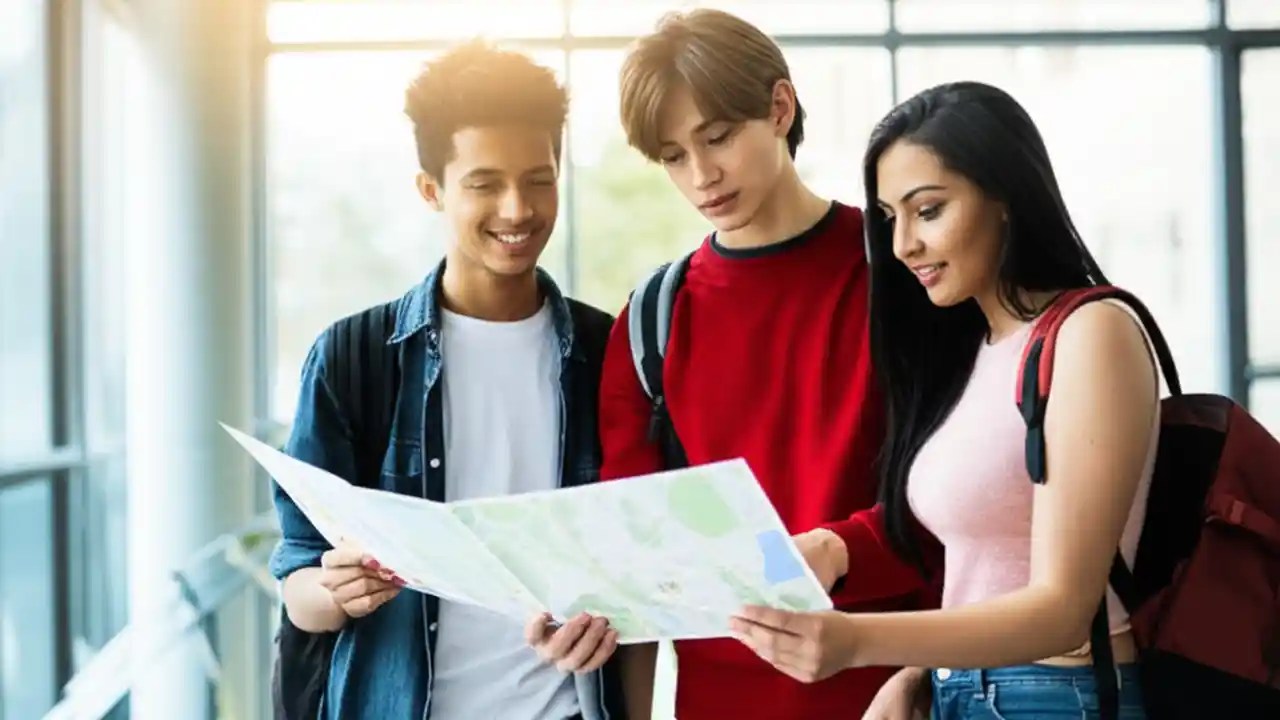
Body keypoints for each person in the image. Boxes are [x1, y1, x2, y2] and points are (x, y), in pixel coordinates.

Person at [528, 9, 939, 720]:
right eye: (673, 156)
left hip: (899, 692)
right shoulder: (649, 321)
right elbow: (639, 547)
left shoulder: (909, 275)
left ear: (780, 108)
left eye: (717, 138)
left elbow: (967, 505)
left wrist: (847, 560)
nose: (701, 175)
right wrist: (586, 605)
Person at [728, 81, 1157, 719]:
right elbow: (985, 570)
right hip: (964, 692)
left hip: (1058, 698)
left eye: (927, 210)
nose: (902, 245)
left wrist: (856, 643)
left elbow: (1064, 607)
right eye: (888, 218)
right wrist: (921, 671)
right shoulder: (976, 348)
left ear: (1005, 197)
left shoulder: (1092, 332)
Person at [269, 40, 623, 720]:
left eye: (538, 179)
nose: (518, 209)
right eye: (485, 184)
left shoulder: (607, 354)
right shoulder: (354, 357)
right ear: (432, 190)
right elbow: (299, 588)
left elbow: (635, 566)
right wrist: (336, 590)